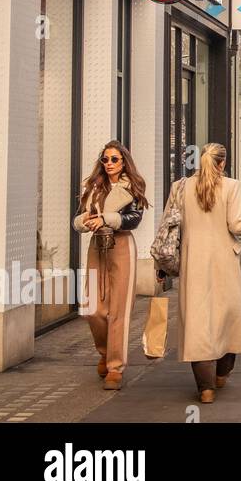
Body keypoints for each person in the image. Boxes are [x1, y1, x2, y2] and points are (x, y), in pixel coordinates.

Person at [177, 144, 241, 403]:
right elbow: (237, 224)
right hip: (223, 260)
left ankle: (205, 388)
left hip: (192, 260)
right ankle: (221, 374)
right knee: (228, 315)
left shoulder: (180, 187)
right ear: (222, 163)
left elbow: (171, 224)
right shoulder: (230, 186)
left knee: (197, 320)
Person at [73, 141, 149, 391]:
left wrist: (107, 218)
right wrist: (86, 221)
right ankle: (104, 352)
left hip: (122, 246)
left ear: (124, 161)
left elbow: (134, 219)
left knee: (119, 310)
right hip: (97, 248)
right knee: (93, 308)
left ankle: (115, 367)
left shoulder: (133, 186)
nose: (109, 164)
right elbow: (78, 217)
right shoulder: (94, 186)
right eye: (105, 159)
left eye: (114, 159)